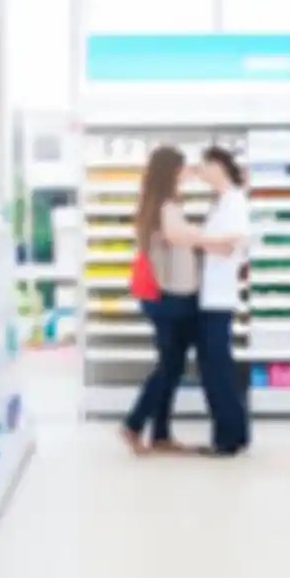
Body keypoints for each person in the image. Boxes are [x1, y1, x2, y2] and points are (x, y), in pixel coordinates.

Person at [121, 146, 235, 455]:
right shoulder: (167, 204)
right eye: (184, 168)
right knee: (169, 366)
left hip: (167, 295)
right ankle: (134, 424)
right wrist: (213, 241)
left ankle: (160, 434)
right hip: (171, 296)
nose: (189, 172)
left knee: (171, 365)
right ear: (172, 170)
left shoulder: (155, 202)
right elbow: (175, 236)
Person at [193, 146, 251, 456]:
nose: (201, 173)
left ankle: (227, 438)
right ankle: (233, 433)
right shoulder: (221, 201)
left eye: (204, 166)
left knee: (217, 369)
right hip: (211, 295)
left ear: (218, 166)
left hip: (219, 297)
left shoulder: (234, 201)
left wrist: (195, 239)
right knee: (216, 367)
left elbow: (231, 244)